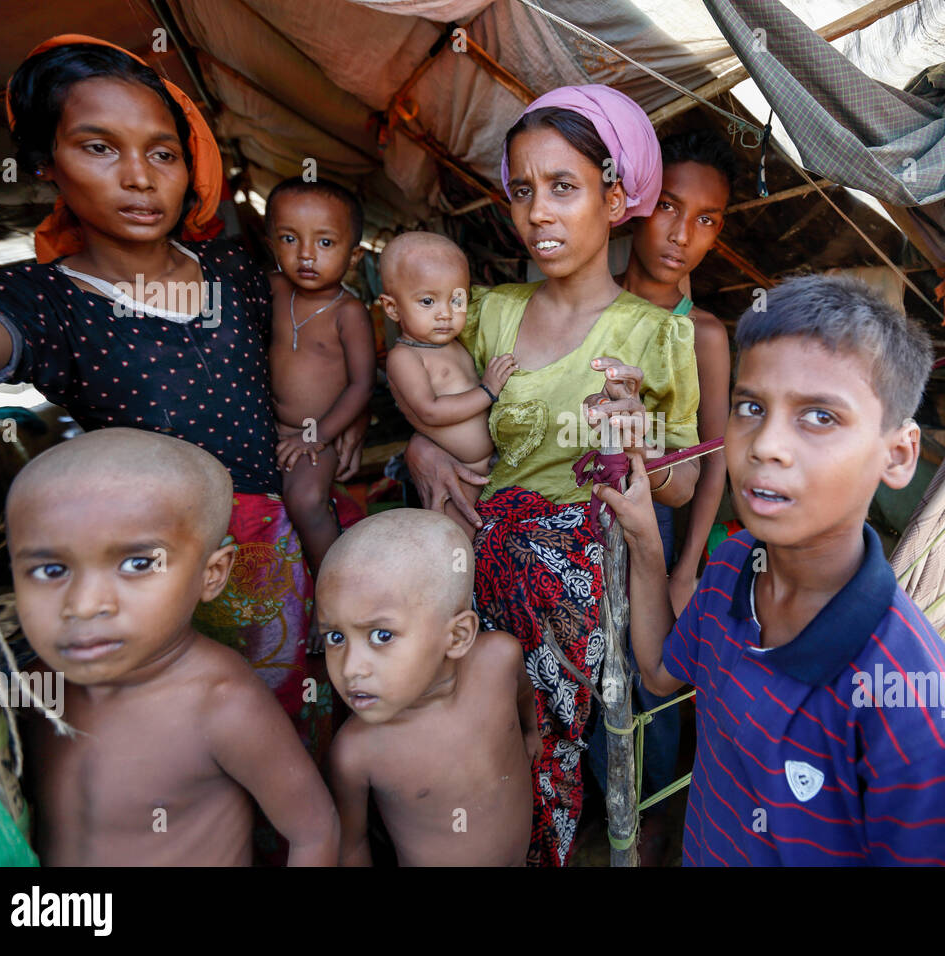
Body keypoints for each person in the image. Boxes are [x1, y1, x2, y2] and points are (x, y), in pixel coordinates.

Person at [0, 36, 360, 757]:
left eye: (163, 153)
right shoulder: (44, 301)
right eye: (99, 148)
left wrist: (337, 424)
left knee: (294, 738)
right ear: (48, 165)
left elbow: (313, 343)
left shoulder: (233, 269)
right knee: (192, 763)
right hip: (151, 583)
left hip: (274, 559)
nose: (140, 178)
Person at [596, 274, 945, 866]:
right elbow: (660, 674)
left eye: (818, 416)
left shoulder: (918, 711)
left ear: (898, 455)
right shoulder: (733, 566)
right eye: (750, 407)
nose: (766, 445)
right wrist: (644, 540)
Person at [404, 85, 701, 865]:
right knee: (475, 738)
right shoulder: (486, 315)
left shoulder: (653, 336)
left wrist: (638, 448)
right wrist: (423, 448)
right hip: (477, 573)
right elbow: (432, 399)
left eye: (563, 188)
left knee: (557, 745)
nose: (538, 213)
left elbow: (684, 485)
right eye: (524, 191)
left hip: (581, 586)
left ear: (615, 196)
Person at [11, 429, 340, 865]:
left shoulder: (222, 702)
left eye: (137, 564)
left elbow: (314, 832)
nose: (84, 605)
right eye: (51, 569)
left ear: (213, 574)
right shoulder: (31, 687)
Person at [591, 128, 737, 863]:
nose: (682, 234)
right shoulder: (585, 307)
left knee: (656, 676)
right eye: (670, 208)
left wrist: (687, 572)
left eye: (707, 219)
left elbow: (712, 461)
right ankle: (594, 798)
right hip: (578, 526)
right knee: (587, 664)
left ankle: (651, 816)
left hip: (663, 532)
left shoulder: (704, 333)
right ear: (636, 204)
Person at [319, 509, 538, 866]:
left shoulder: (499, 658)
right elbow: (353, 843)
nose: (350, 668)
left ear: (457, 635)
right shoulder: (356, 752)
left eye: (381, 635)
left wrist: (531, 732)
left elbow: (523, 694)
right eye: (336, 637)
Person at [265, 177, 375, 579]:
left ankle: (332, 585)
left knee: (307, 499)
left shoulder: (348, 312)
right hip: (268, 427)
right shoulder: (272, 290)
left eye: (325, 243)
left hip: (317, 430)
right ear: (272, 244)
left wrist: (318, 434)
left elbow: (362, 384)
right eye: (290, 239)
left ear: (353, 255)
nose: (306, 255)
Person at [380, 232, 517, 537]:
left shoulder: (454, 342)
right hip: (456, 469)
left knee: (488, 539)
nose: (445, 314)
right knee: (453, 538)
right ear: (392, 308)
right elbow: (429, 410)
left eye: (456, 300)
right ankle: (454, 584)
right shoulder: (405, 357)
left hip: (489, 465)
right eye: (427, 301)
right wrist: (487, 391)